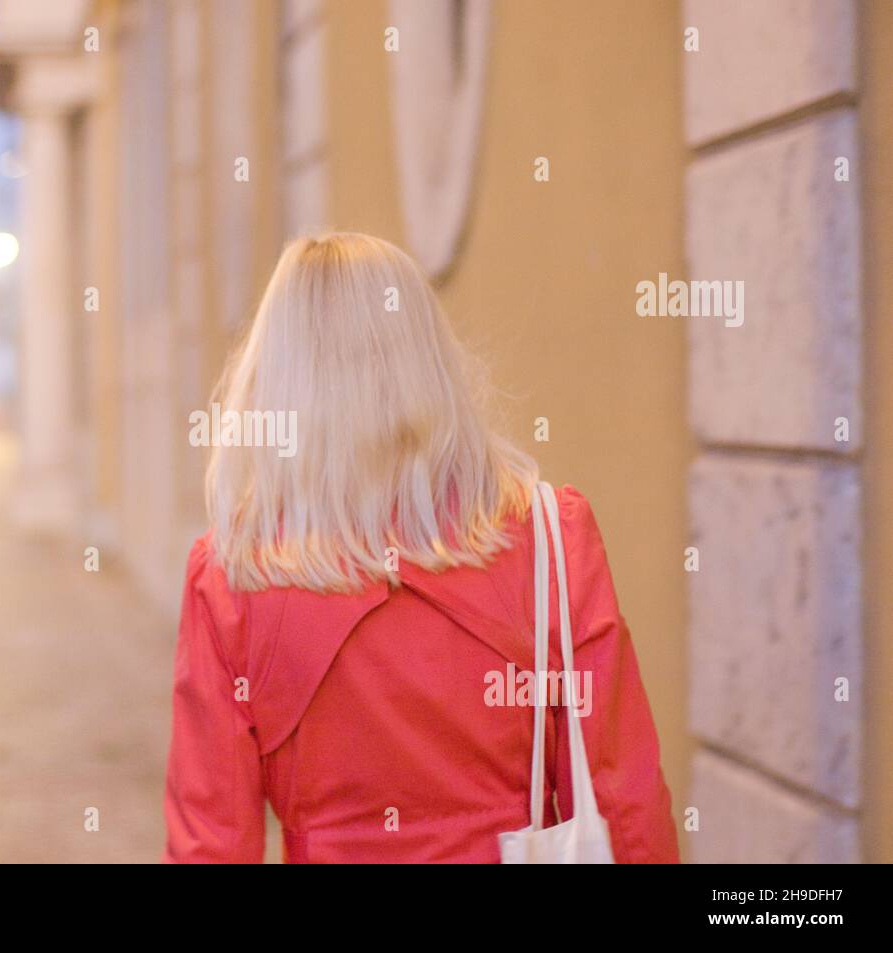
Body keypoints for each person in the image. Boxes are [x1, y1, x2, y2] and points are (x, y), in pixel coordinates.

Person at [162, 232, 679, 863]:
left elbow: (212, 839)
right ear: (427, 360)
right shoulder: (547, 534)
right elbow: (619, 788)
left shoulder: (233, 575)